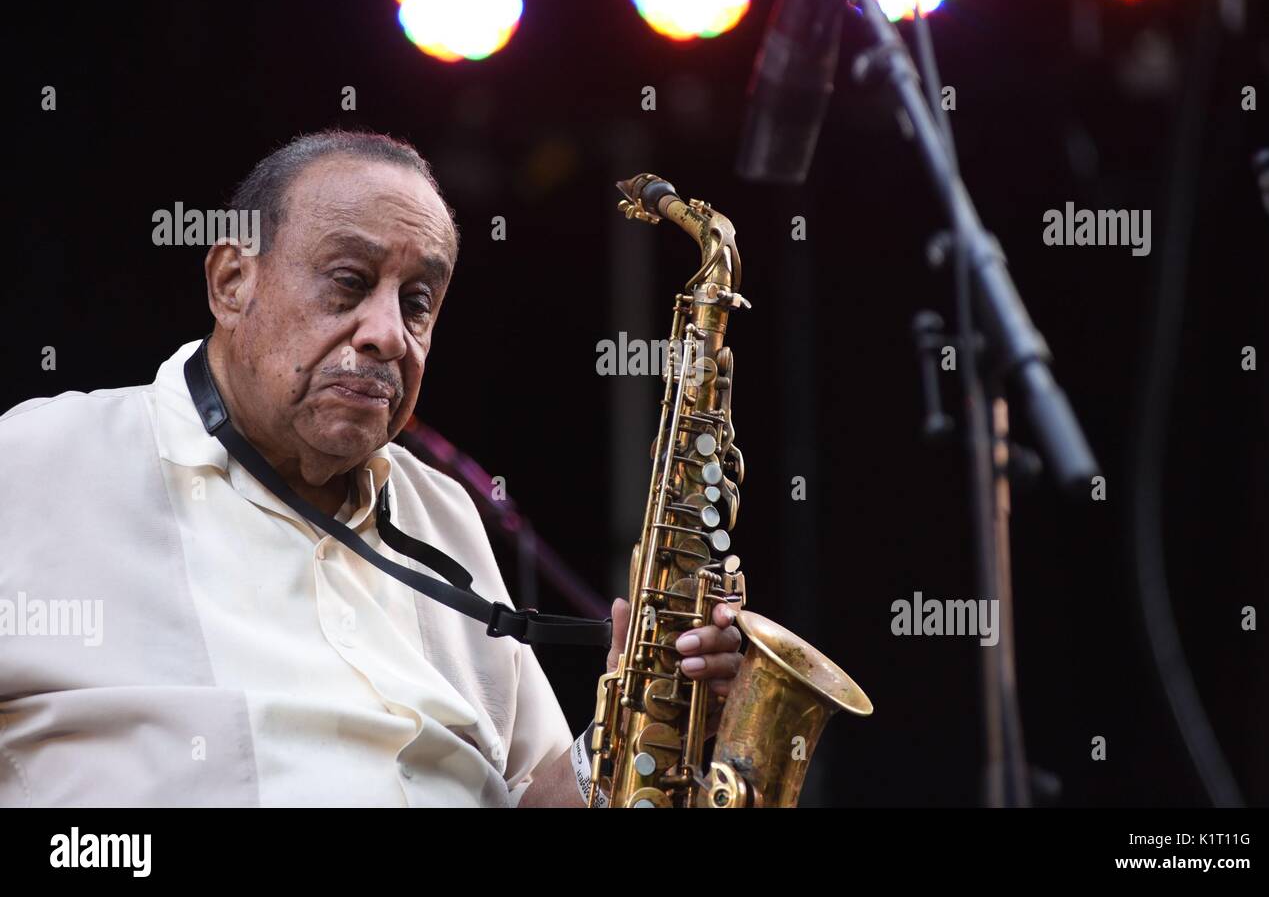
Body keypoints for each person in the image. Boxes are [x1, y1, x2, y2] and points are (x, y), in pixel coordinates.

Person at [0, 129, 742, 807]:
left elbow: (531, 792)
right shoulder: (39, 460)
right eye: (348, 282)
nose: (390, 334)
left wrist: (650, 723)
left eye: (417, 302)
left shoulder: (445, 512)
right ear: (231, 281)